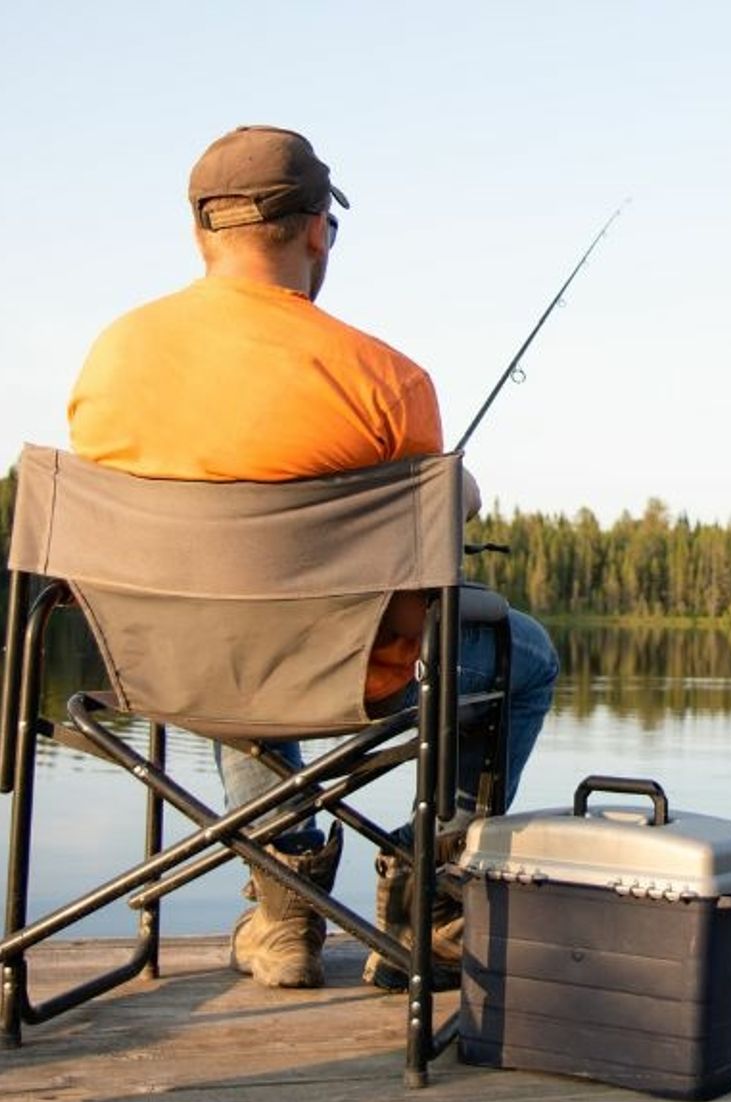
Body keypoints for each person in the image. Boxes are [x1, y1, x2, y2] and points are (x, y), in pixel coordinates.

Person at [67, 125, 559, 992]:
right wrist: (463, 488)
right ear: (318, 231)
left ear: (198, 233)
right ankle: (425, 890)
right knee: (526, 655)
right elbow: (437, 527)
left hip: (162, 664)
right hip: (346, 670)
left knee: (229, 643)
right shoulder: (385, 380)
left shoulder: (111, 359)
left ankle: (284, 907)